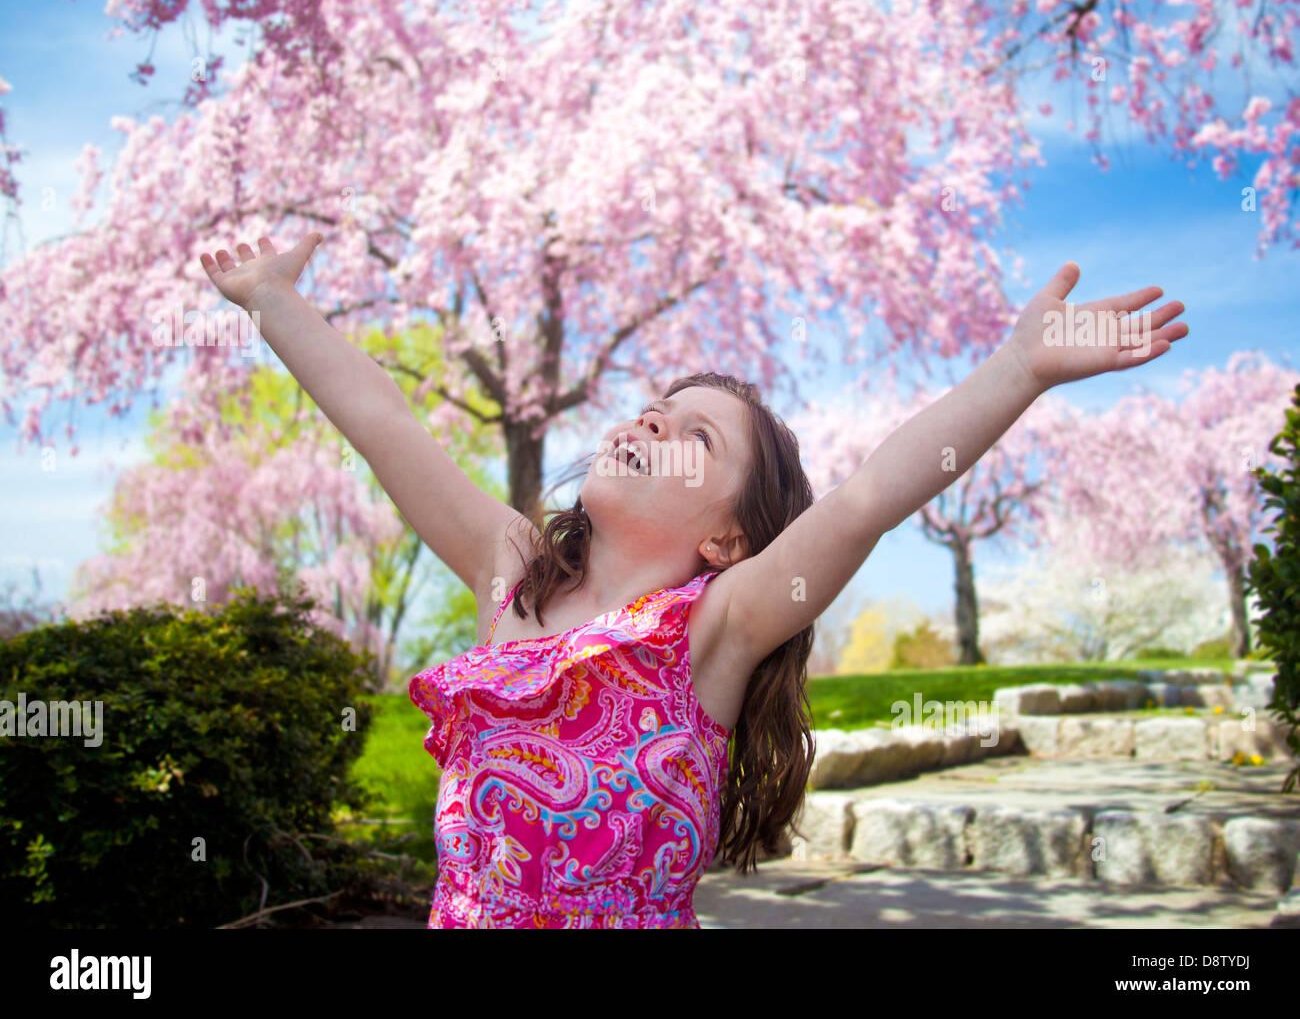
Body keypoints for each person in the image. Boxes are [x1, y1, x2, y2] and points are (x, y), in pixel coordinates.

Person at [199, 232, 1189, 928]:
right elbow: (387, 426)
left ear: (726, 537)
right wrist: (277, 304)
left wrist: (1015, 371)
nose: (653, 422)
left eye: (695, 434)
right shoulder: (509, 576)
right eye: (657, 407)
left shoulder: (713, 627)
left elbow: (865, 500)